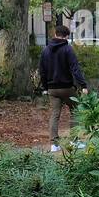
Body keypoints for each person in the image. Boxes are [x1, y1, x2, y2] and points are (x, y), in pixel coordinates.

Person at [39, 24, 87, 152]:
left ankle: (54, 145)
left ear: (55, 34)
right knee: (75, 111)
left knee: (55, 114)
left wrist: (45, 87)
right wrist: (83, 85)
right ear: (66, 36)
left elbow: (42, 71)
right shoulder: (68, 49)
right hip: (67, 88)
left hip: (52, 89)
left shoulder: (45, 50)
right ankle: (74, 141)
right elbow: (75, 69)